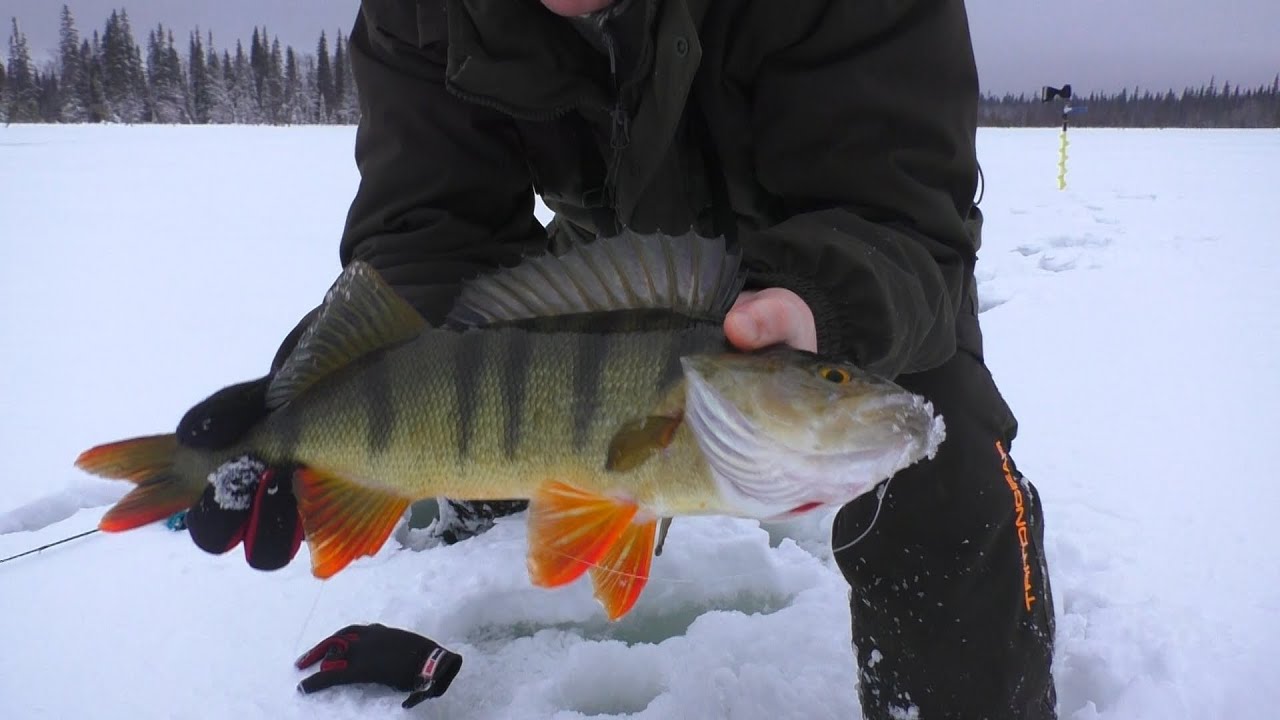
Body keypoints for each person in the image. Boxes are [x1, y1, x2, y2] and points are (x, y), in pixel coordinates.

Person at [181, 0, 1057, 716]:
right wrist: (318, 383)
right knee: (484, 422)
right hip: (621, 284)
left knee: (942, 452)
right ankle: (483, 496)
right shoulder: (422, 11)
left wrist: (824, 310)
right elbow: (430, 233)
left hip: (844, 267)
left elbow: (907, 221)